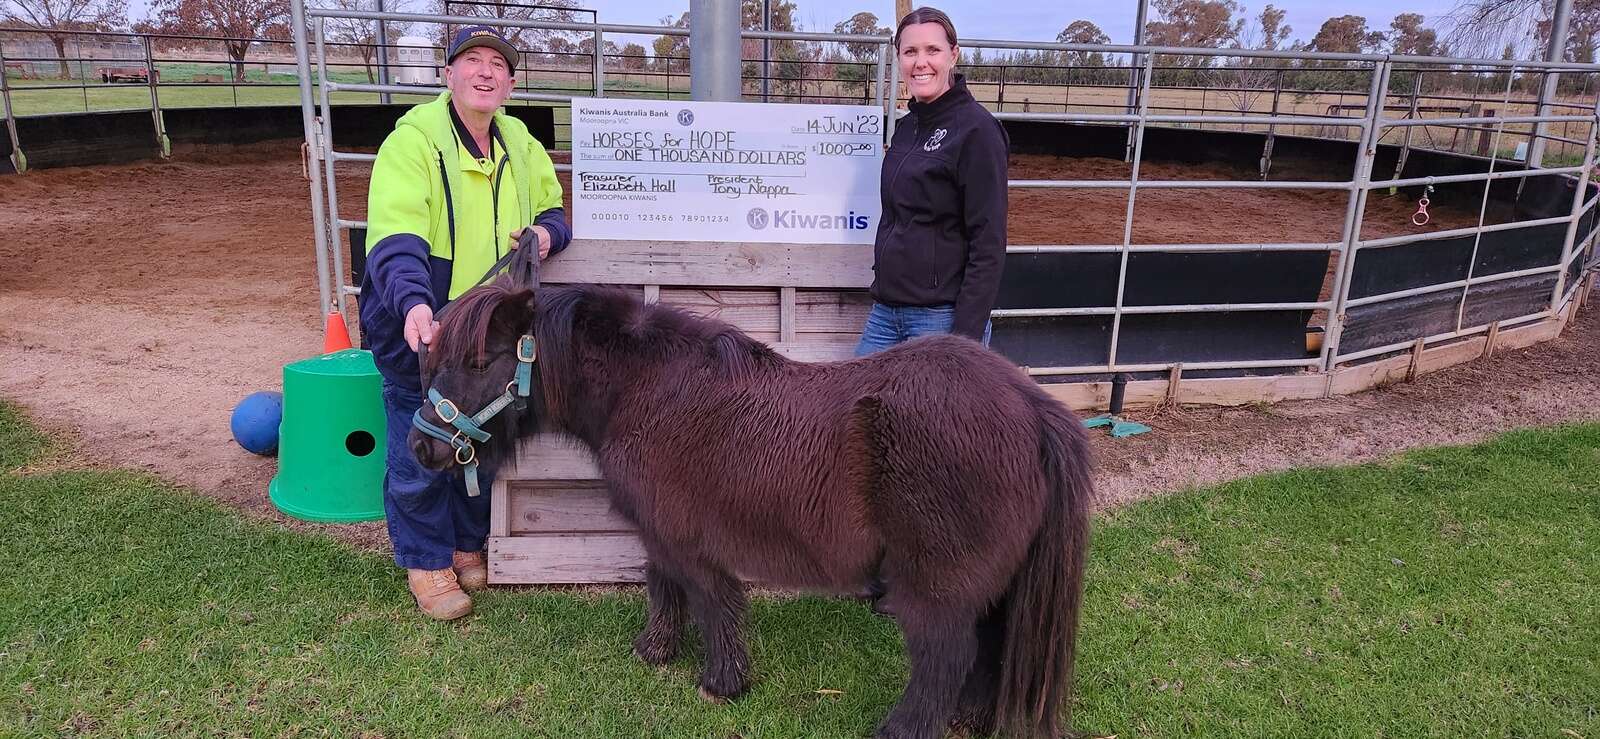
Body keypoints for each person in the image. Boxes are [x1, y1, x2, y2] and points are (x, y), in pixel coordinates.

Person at [359, 24, 570, 620]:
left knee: (479, 436)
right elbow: (397, 237)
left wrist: (547, 233)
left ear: (509, 81)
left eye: (497, 65)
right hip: (422, 322)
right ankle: (426, 562)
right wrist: (412, 304)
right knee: (419, 440)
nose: (485, 72)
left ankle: (462, 542)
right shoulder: (414, 142)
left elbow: (555, 208)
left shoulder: (521, 144)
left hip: (487, 332)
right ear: (447, 74)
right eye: (471, 61)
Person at [855, 6, 1008, 356]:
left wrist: (962, 342)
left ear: (953, 55)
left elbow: (988, 242)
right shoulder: (908, 127)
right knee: (853, 408)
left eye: (932, 50)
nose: (920, 62)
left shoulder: (977, 132)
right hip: (886, 312)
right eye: (910, 52)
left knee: (935, 413)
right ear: (898, 59)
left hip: (939, 318)